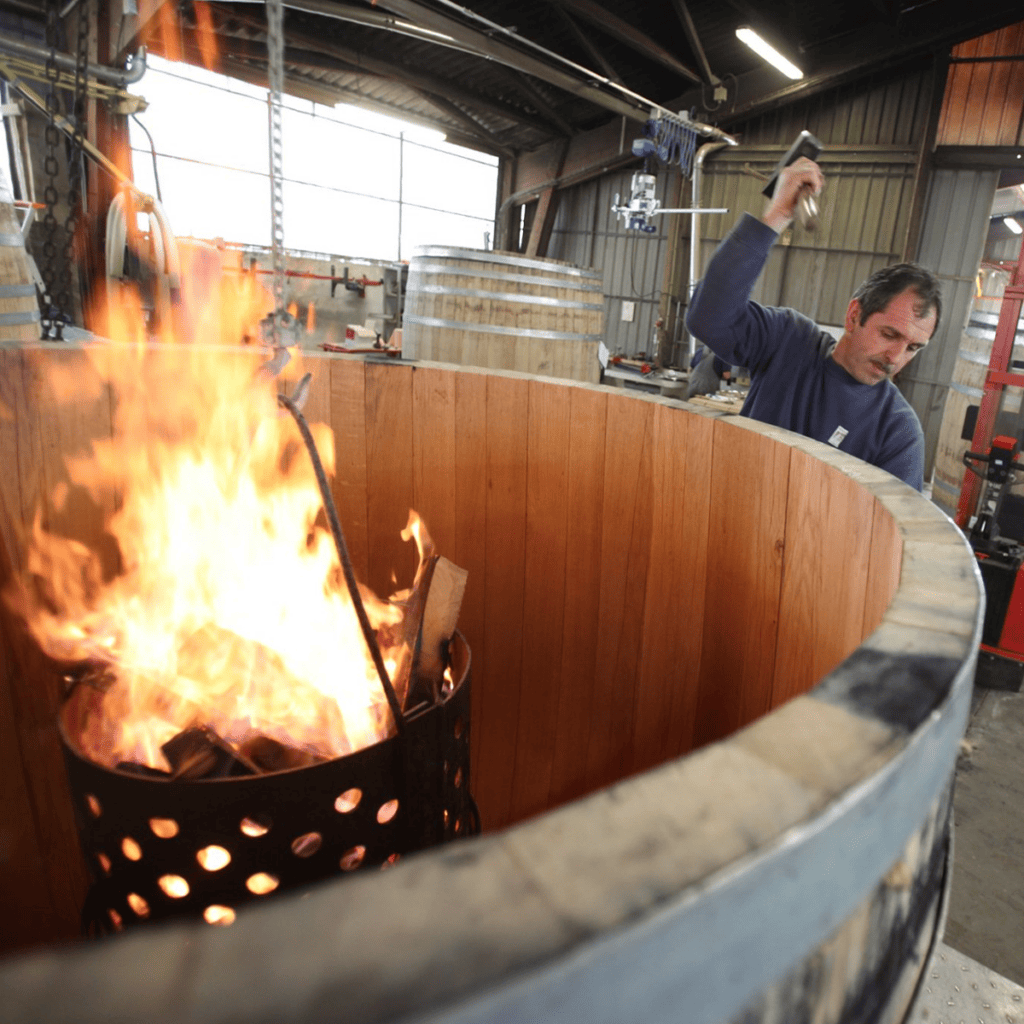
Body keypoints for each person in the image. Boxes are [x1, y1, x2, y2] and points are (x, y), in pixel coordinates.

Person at [685, 157, 940, 491]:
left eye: (913, 347)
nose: (896, 357)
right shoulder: (789, 341)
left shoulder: (897, 431)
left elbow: (894, 535)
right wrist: (776, 216)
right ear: (854, 316)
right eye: (889, 334)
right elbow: (708, 319)